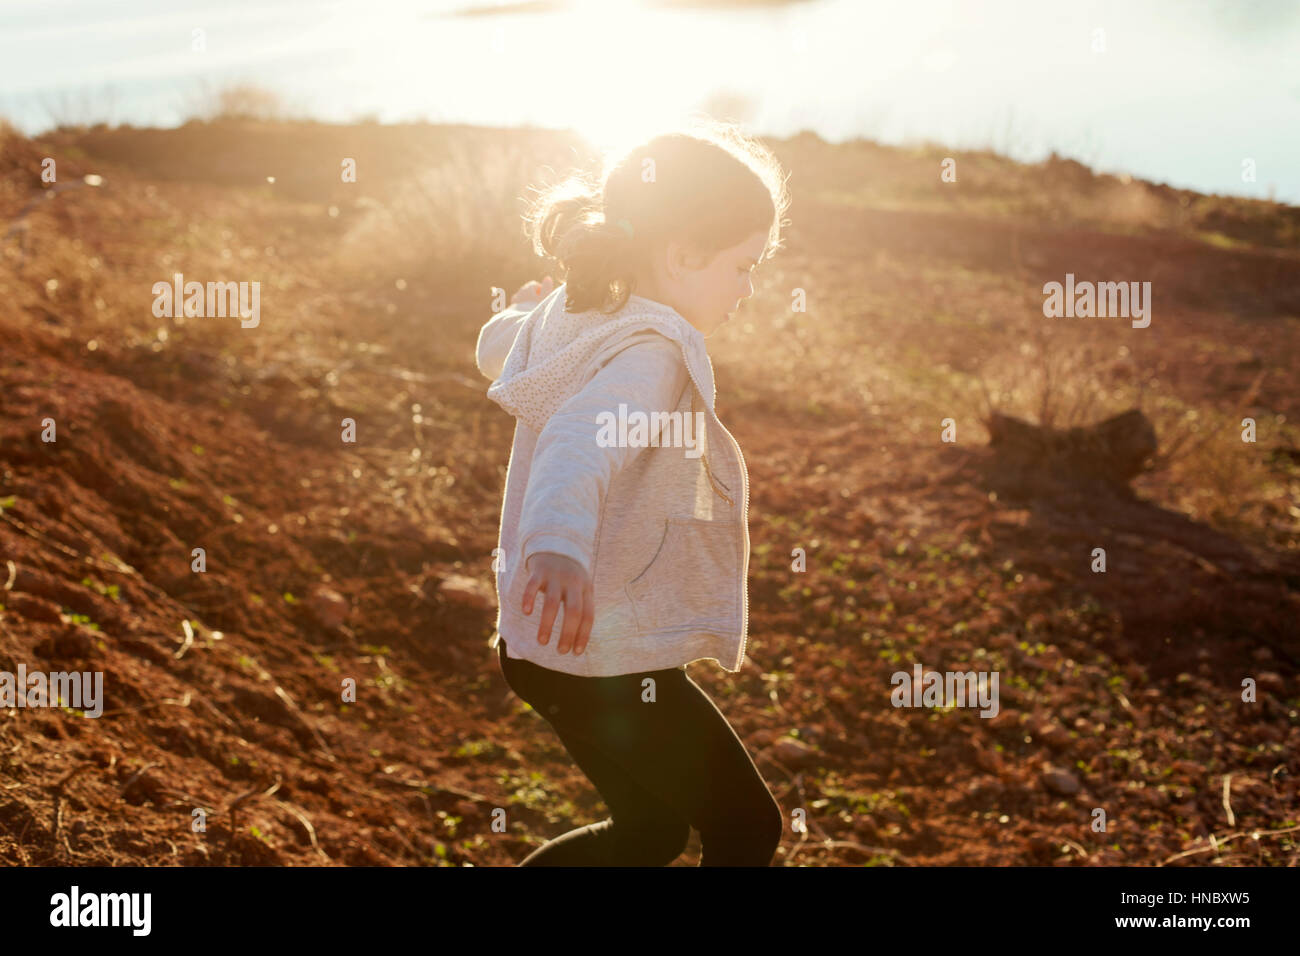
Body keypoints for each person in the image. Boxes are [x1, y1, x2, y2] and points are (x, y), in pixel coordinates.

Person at [475, 119, 791, 866]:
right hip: (600, 662)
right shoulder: (651, 351)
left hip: (545, 649)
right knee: (747, 830)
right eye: (745, 266)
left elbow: (499, 344)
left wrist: (520, 307)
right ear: (683, 255)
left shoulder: (576, 312)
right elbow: (579, 441)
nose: (750, 288)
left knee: (646, 833)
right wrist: (556, 544)